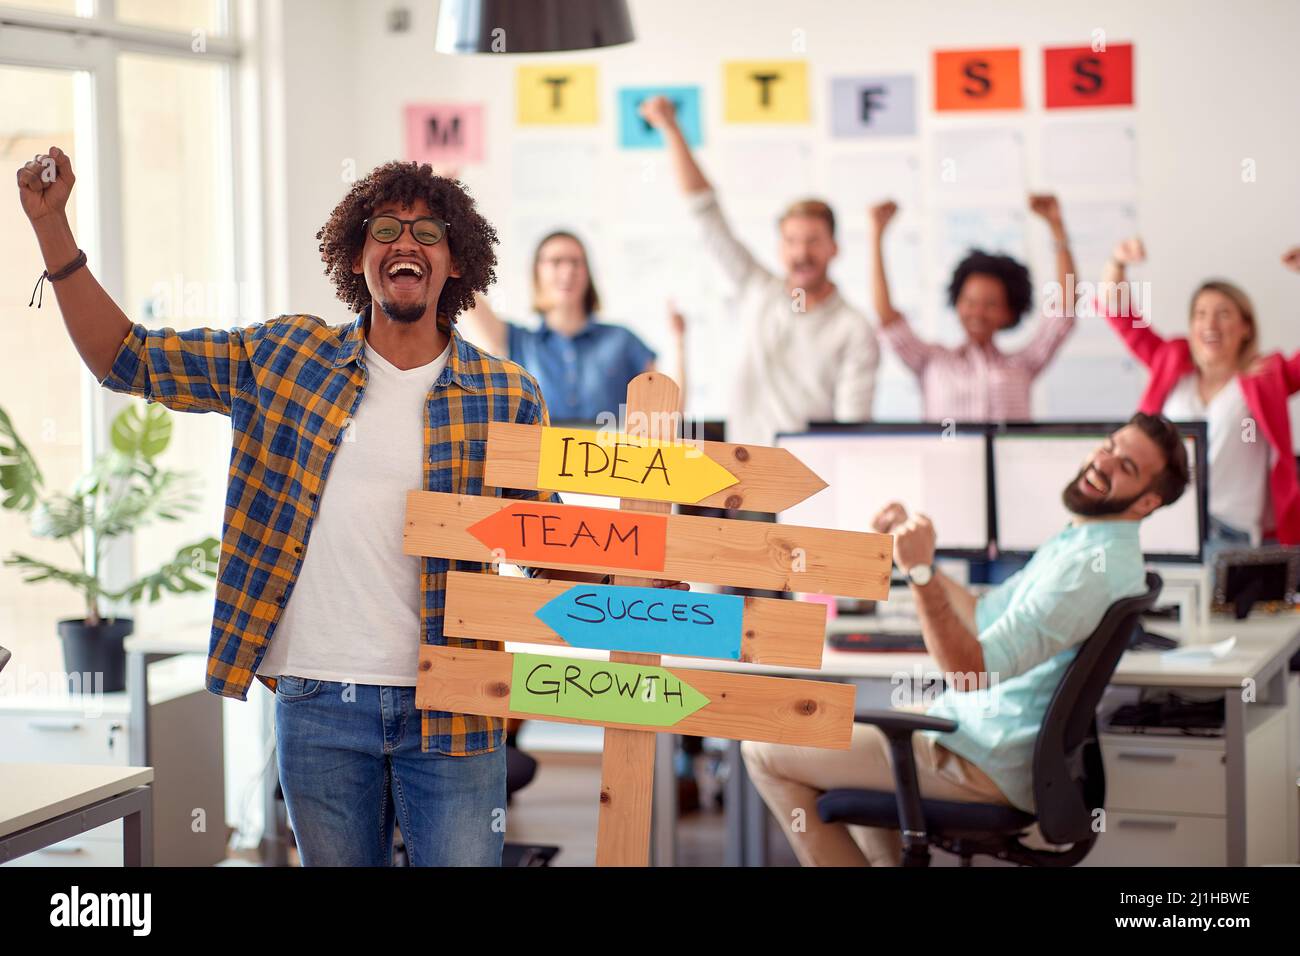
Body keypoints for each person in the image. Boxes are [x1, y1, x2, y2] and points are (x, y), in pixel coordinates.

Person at [16, 147, 683, 866]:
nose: (407, 243)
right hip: (318, 702)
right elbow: (127, 357)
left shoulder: (506, 393)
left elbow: (544, 542)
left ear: (455, 263)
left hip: (456, 702)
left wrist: (636, 595)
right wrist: (53, 230)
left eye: (429, 233)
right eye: (387, 229)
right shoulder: (284, 359)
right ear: (357, 256)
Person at [742, 412, 1190, 866]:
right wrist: (917, 558)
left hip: (978, 763)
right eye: (1111, 446)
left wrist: (919, 575)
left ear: (1147, 501)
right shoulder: (1089, 543)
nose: (1104, 463)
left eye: (1126, 467)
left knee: (761, 749)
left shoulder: (1089, 569)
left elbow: (969, 674)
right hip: (979, 737)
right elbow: (983, 614)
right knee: (847, 726)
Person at [638, 95, 879, 447]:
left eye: (813, 241)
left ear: (834, 248)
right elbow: (706, 212)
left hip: (811, 486)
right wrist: (671, 128)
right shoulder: (755, 288)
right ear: (780, 247)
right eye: (792, 241)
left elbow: (851, 432)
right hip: (744, 481)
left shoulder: (854, 329)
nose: (801, 253)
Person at [1100, 238, 1300, 546]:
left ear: (1246, 327)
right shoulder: (1170, 362)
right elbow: (1119, 316)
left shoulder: (1266, 376)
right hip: (1163, 524)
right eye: (1201, 313)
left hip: (1231, 531)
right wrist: (1118, 262)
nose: (1210, 324)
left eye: (1223, 314)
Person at [870, 195, 1078, 421]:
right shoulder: (932, 361)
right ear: (957, 303)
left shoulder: (1023, 364)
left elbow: (1064, 312)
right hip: (944, 456)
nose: (977, 312)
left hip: (1009, 457)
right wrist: (877, 235)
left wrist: (1057, 228)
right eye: (969, 302)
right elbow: (887, 318)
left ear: (1009, 312)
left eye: (990, 304)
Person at [460, 230, 682, 421]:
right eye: (556, 262)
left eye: (576, 262)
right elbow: (464, 288)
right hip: (535, 469)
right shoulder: (518, 342)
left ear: (587, 273)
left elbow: (670, 413)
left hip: (609, 469)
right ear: (538, 272)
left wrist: (679, 341)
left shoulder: (621, 340)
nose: (567, 271)